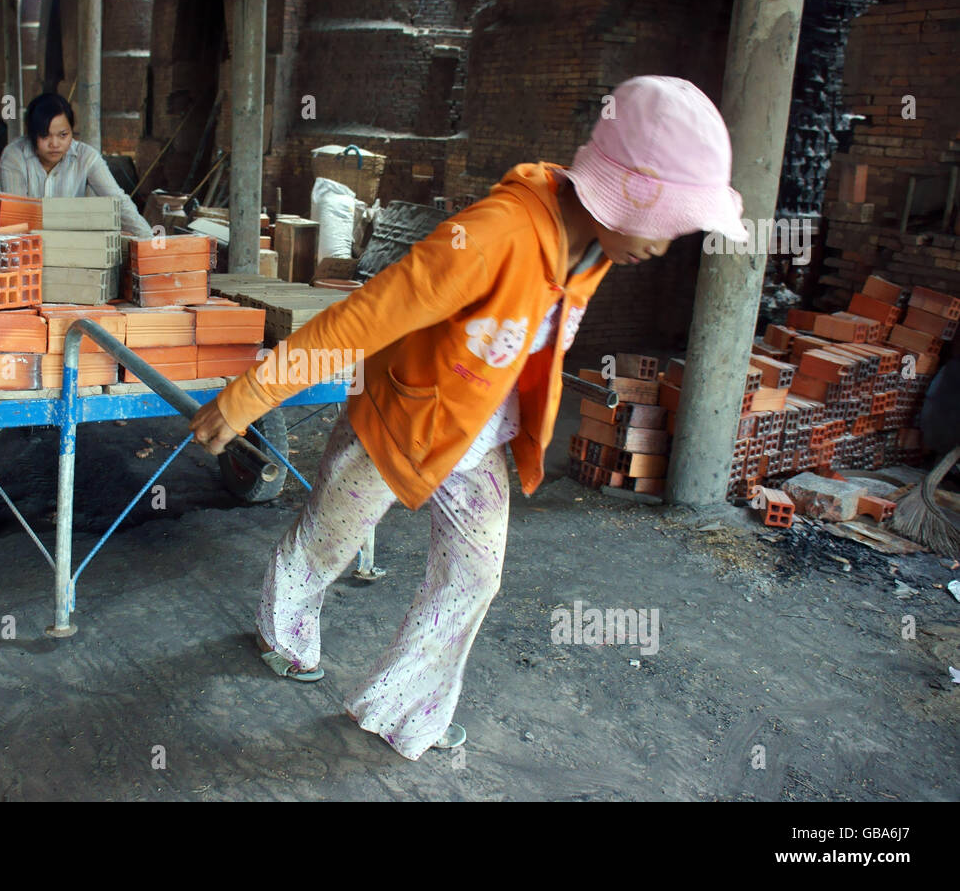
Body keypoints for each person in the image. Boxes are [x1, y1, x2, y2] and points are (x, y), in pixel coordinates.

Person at [188, 75, 750, 760]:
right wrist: (251, 393)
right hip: (398, 419)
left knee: (474, 575)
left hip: (476, 432)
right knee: (328, 539)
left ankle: (405, 708)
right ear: (621, 189)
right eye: (663, 226)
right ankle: (284, 629)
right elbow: (369, 314)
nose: (661, 249)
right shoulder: (493, 235)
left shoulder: (601, 250)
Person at [0, 93, 153, 238]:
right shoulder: (14, 157)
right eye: (45, 136)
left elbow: (119, 202)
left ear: (72, 131)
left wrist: (149, 241)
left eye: (63, 135)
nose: (55, 144)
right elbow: (15, 218)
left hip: (71, 244)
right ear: (32, 135)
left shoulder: (86, 157)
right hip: (27, 247)